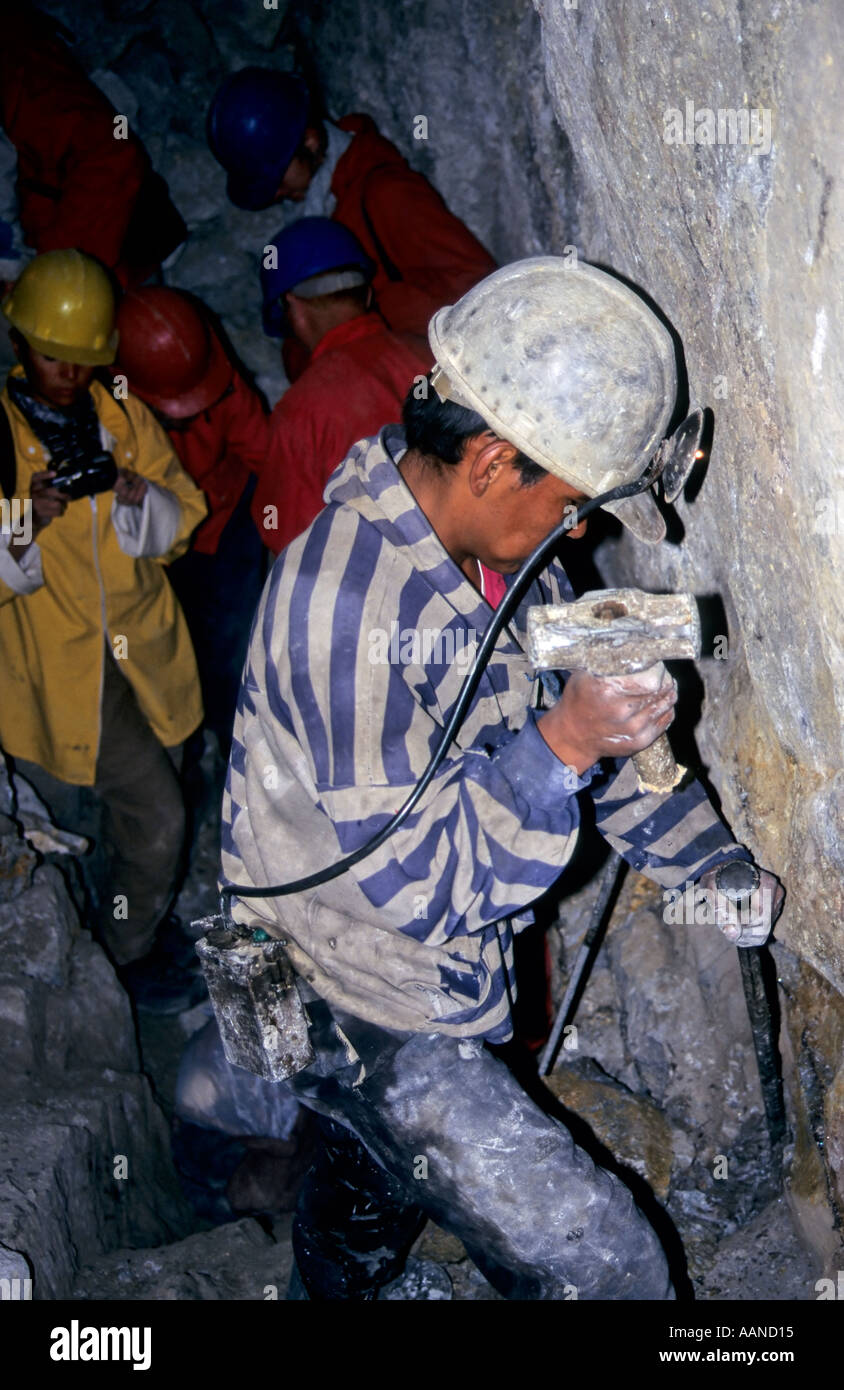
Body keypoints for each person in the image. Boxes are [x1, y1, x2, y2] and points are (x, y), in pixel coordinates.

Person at [219, 258, 783, 1300]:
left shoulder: (508, 559)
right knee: (607, 1266)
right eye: (572, 504)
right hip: (356, 991)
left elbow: (600, 759)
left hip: (427, 965)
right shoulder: (344, 616)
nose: (580, 531)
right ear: (487, 461)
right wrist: (563, 743)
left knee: (367, 1192)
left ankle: (327, 1279)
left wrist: (707, 862)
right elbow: (423, 885)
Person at [0, 250, 207, 1013]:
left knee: (139, 812)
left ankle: (125, 936)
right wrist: (29, 520)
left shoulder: (120, 417)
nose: (67, 373)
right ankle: (125, 952)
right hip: (55, 671)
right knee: (151, 819)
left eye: (82, 359)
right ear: (21, 344)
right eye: (53, 356)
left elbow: (184, 517)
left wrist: (134, 495)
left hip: (146, 653)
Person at [207, 68, 495, 363]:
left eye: (278, 177)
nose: (275, 193)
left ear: (310, 140)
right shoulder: (314, 214)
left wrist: (365, 318)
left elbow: (481, 290)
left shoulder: (386, 193)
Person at [113, 288, 271, 757]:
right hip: (157, 542)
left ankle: (232, 743)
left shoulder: (214, 376)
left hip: (226, 524)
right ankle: (184, 741)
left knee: (232, 644)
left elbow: (265, 454)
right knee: (173, 648)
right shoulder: (109, 408)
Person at [255, 216, 431, 555]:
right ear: (366, 293)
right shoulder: (435, 356)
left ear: (293, 308)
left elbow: (291, 545)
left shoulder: (299, 416)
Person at [0, 4, 185, 290]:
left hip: (109, 263)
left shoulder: (20, 65)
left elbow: (112, 155)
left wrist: (45, 278)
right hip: (58, 262)